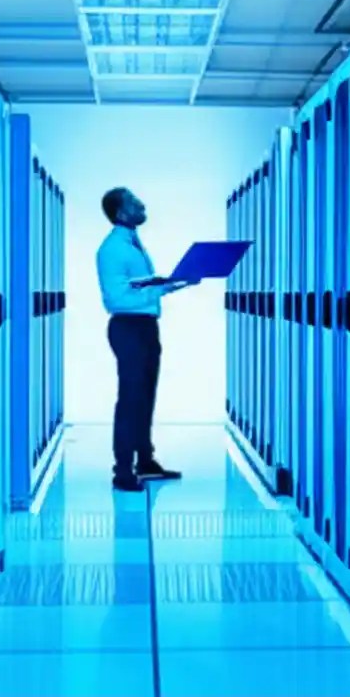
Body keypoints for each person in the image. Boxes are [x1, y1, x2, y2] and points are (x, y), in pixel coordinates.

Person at [95, 187, 196, 492]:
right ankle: (123, 471)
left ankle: (145, 460)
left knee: (146, 395)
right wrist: (162, 286)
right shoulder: (112, 249)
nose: (142, 205)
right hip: (128, 328)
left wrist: (175, 282)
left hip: (145, 326)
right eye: (135, 203)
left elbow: (139, 287)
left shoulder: (132, 244)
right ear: (122, 213)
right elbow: (118, 297)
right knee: (130, 399)